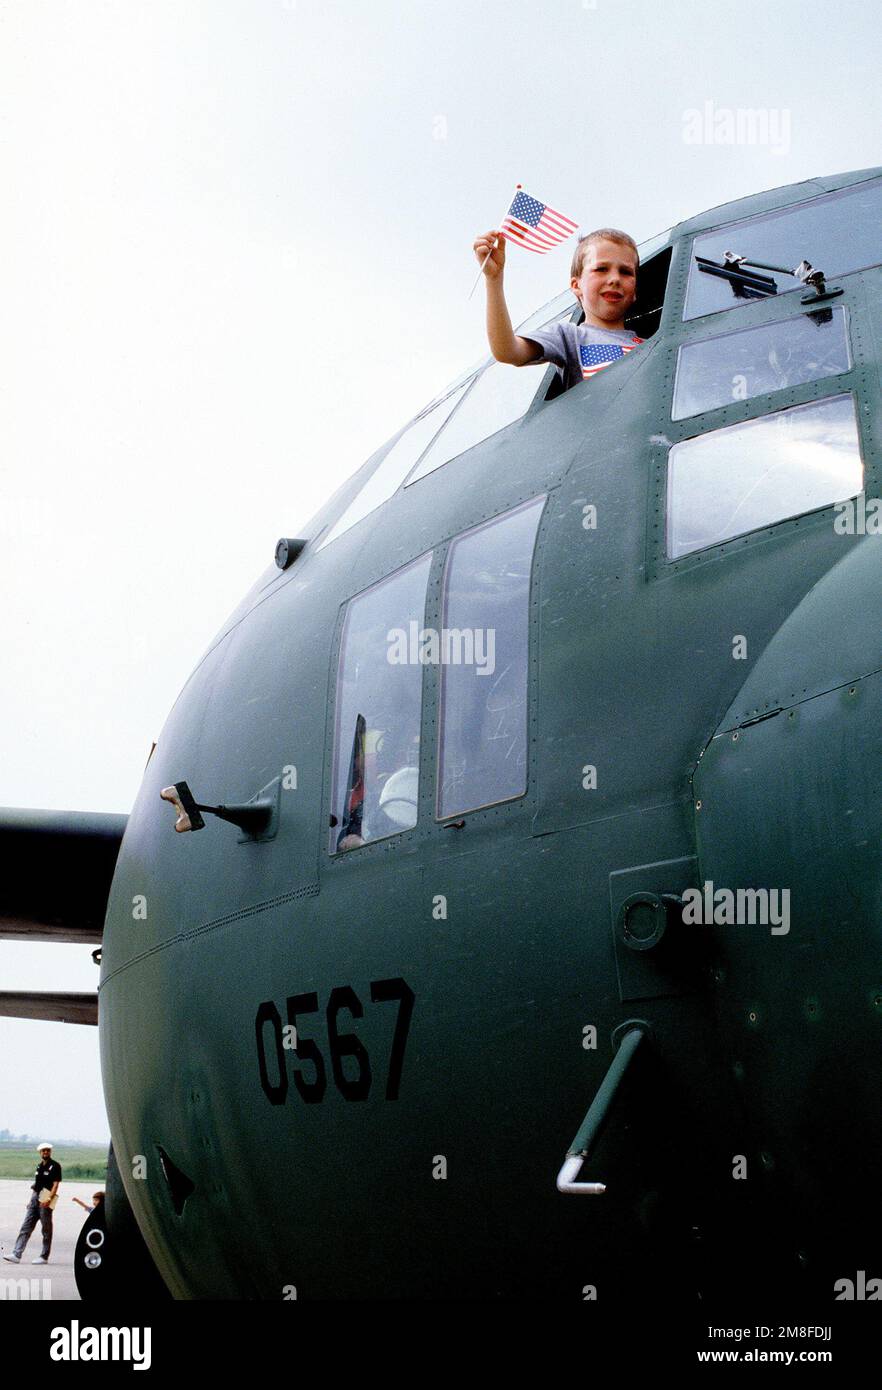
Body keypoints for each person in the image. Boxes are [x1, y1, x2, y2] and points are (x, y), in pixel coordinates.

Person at [472, 226, 643, 391]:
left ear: (635, 290)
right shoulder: (569, 336)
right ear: (576, 285)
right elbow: (508, 351)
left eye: (626, 272)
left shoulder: (648, 344)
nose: (615, 279)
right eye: (601, 269)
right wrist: (494, 279)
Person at [2, 1142, 62, 1265]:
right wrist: (31, 1201)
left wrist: (48, 1199)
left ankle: (44, 1256)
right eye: (43, 1151)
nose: (45, 1152)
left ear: (50, 1152)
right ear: (40, 1153)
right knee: (26, 1226)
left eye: (47, 1150)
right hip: (36, 1196)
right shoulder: (39, 1166)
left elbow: (55, 1184)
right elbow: (36, 1186)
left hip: (47, 1195)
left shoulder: (55, 1166)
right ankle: (16, 1254)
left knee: (46, 1229)